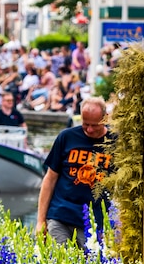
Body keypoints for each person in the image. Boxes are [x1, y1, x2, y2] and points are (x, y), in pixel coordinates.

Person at [35, 98, 113, 245]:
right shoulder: (66, 137)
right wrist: (40, 221)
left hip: (94, 222)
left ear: (105, 118)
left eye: (94, 125)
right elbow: (50, 178)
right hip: (60, 215)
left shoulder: (115, 143)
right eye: (85, 124)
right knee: (58, 263)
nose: (89, 129)